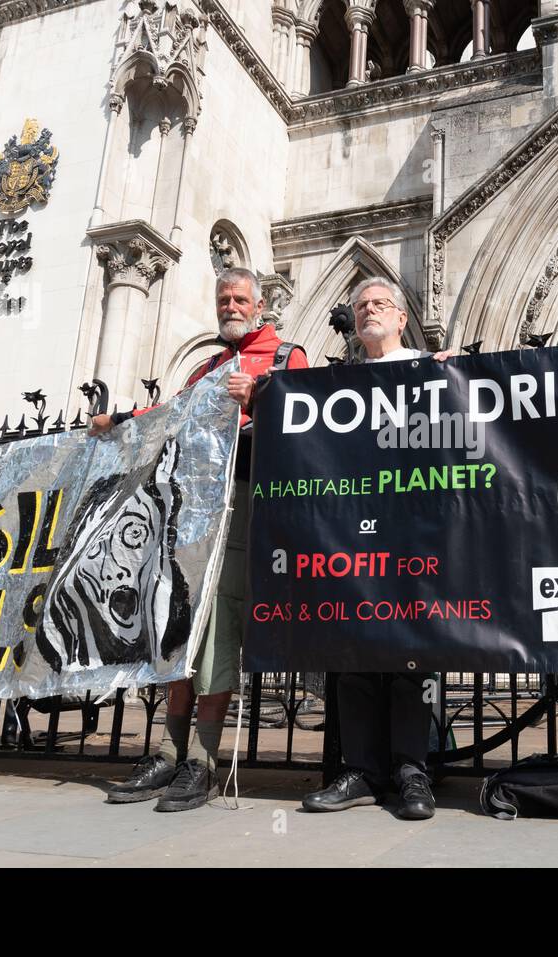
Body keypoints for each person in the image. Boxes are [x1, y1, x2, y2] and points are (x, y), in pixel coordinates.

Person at [94, 267, 308, 812]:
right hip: (191, 513)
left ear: (261, 307)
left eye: (240, 299)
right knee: (178, 621)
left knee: (216, 627)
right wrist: (119, 419)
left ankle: (202, 760)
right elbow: (170, 418)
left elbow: (310, 427)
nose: (230, 306)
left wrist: (260, 400)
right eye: (223, 299)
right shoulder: (209, 368)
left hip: (245, 508)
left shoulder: (288, 359)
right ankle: (168, 752)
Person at [300, 278, 451, 820]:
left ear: (402, 317)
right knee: (355, 651)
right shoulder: (338, 381)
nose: (368, 313)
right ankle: (360, 771)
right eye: (361, 306)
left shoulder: (429, 366)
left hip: (411, 533)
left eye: (379, 305)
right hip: (353, 533)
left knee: (411, 657)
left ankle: (413, 771)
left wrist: (456, 372)